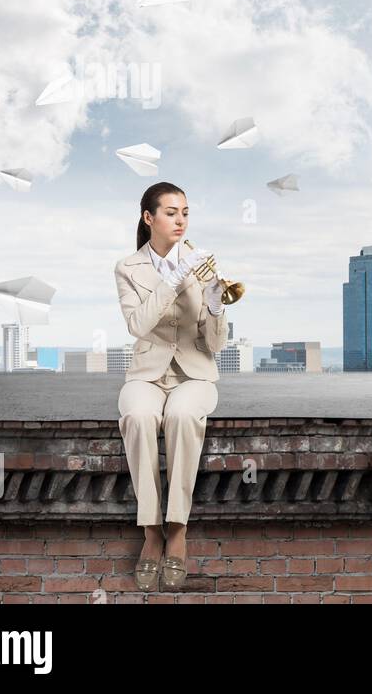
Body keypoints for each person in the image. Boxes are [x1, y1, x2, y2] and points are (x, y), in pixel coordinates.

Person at [114, 181, 229, 592]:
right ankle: (150, 532)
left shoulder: (204, 266)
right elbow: (137, 325)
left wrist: (215, 308)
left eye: (185, 212)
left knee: (182, 415)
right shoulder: (128, 268)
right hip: (146, 372)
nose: (180, 220)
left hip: (194, 373)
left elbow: (215, 343)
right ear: (149, 218)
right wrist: (175, 278)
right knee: (138, 415)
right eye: (170, 212)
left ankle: (177, 528)